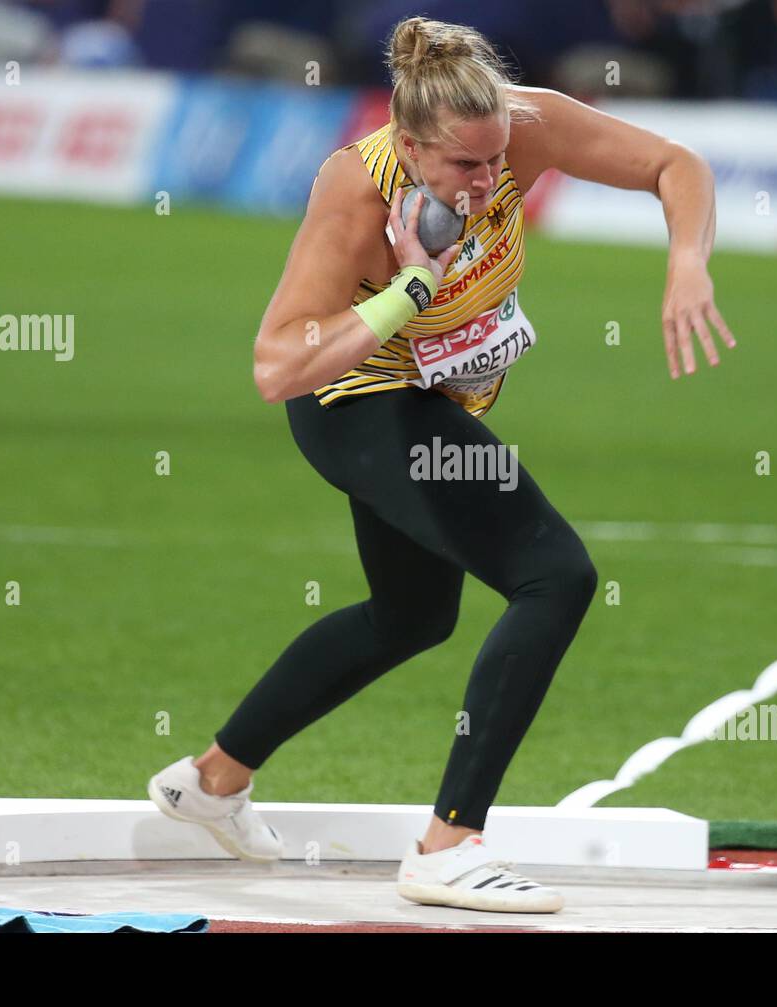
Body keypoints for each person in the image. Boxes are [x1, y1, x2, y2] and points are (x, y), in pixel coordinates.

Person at [149, 14, 736, 914]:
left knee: (412, 614)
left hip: (429, 397)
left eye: (497, 157)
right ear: (411, 145)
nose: (491, 179)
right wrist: (411, 287)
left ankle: (210, 784)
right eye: (466, 166)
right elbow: (277, 362)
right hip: (357, 400)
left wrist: (686, 262)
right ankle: (449, 843)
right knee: (555, 575)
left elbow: (675, 165)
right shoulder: (355, 189)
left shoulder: (520, 127)